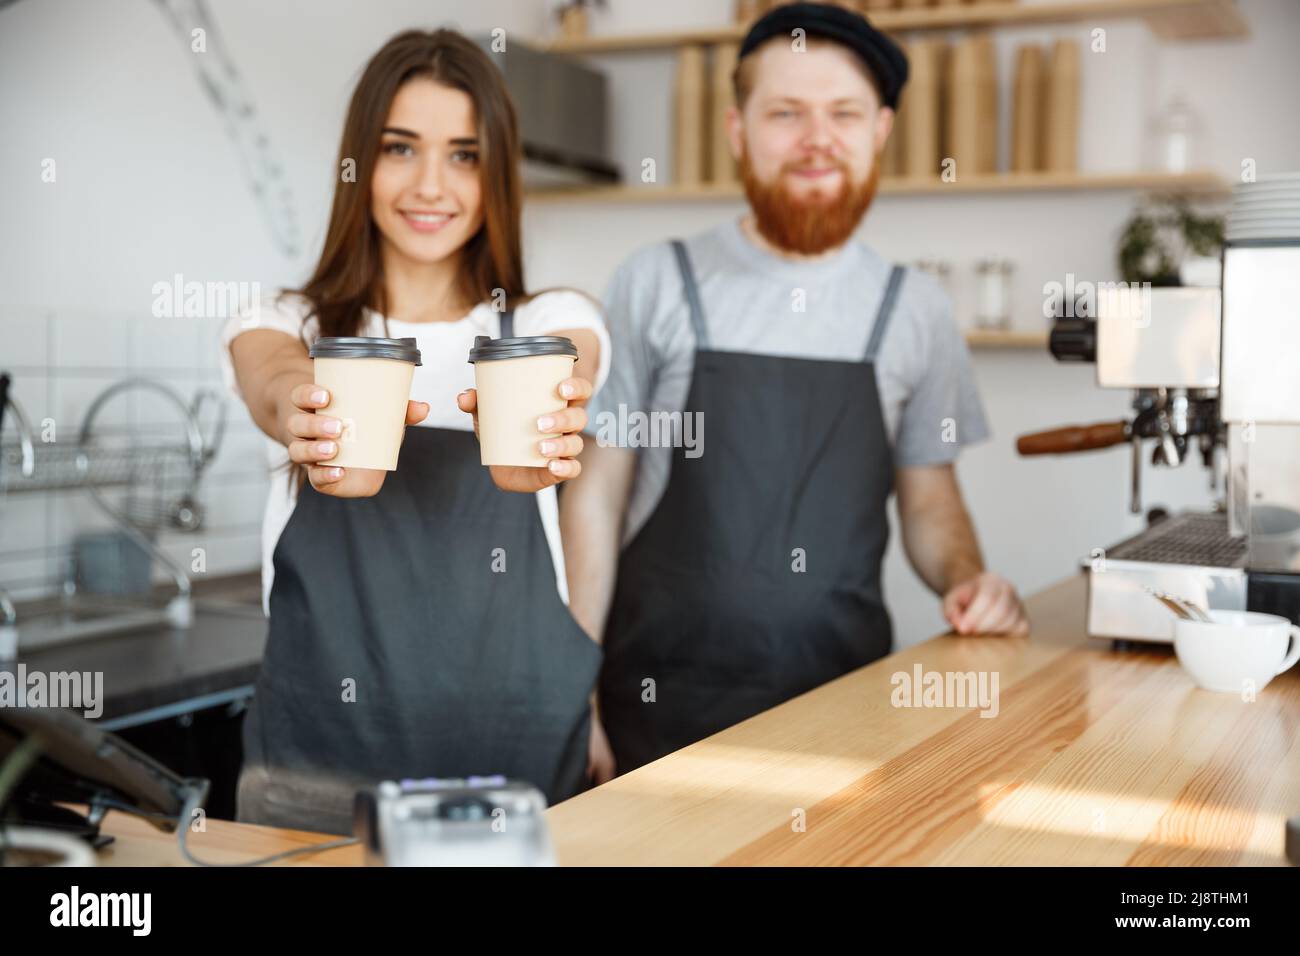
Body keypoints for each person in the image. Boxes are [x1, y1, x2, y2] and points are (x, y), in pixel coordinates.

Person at [560, 2, 1029, 776]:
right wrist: (573, 698)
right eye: (786, 113)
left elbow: (930, 500)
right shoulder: (655, 282)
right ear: (738, 130)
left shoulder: (915, 310)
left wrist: (970, 581)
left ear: (879, 133)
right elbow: (595, 500)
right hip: (648, 720)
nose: (817, 139)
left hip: (845, 722)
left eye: (843, 113)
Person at [219, 29, 608, 834]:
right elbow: (272, 379)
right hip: (314, 775)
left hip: (519, 769)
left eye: (464, 155)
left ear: (496, 174)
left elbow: (570, 360)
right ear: (360, 161)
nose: (432, 184)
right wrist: (308, 407)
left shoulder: (542, 322)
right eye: (401, 148)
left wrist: (549, 410)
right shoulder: (287, 324)